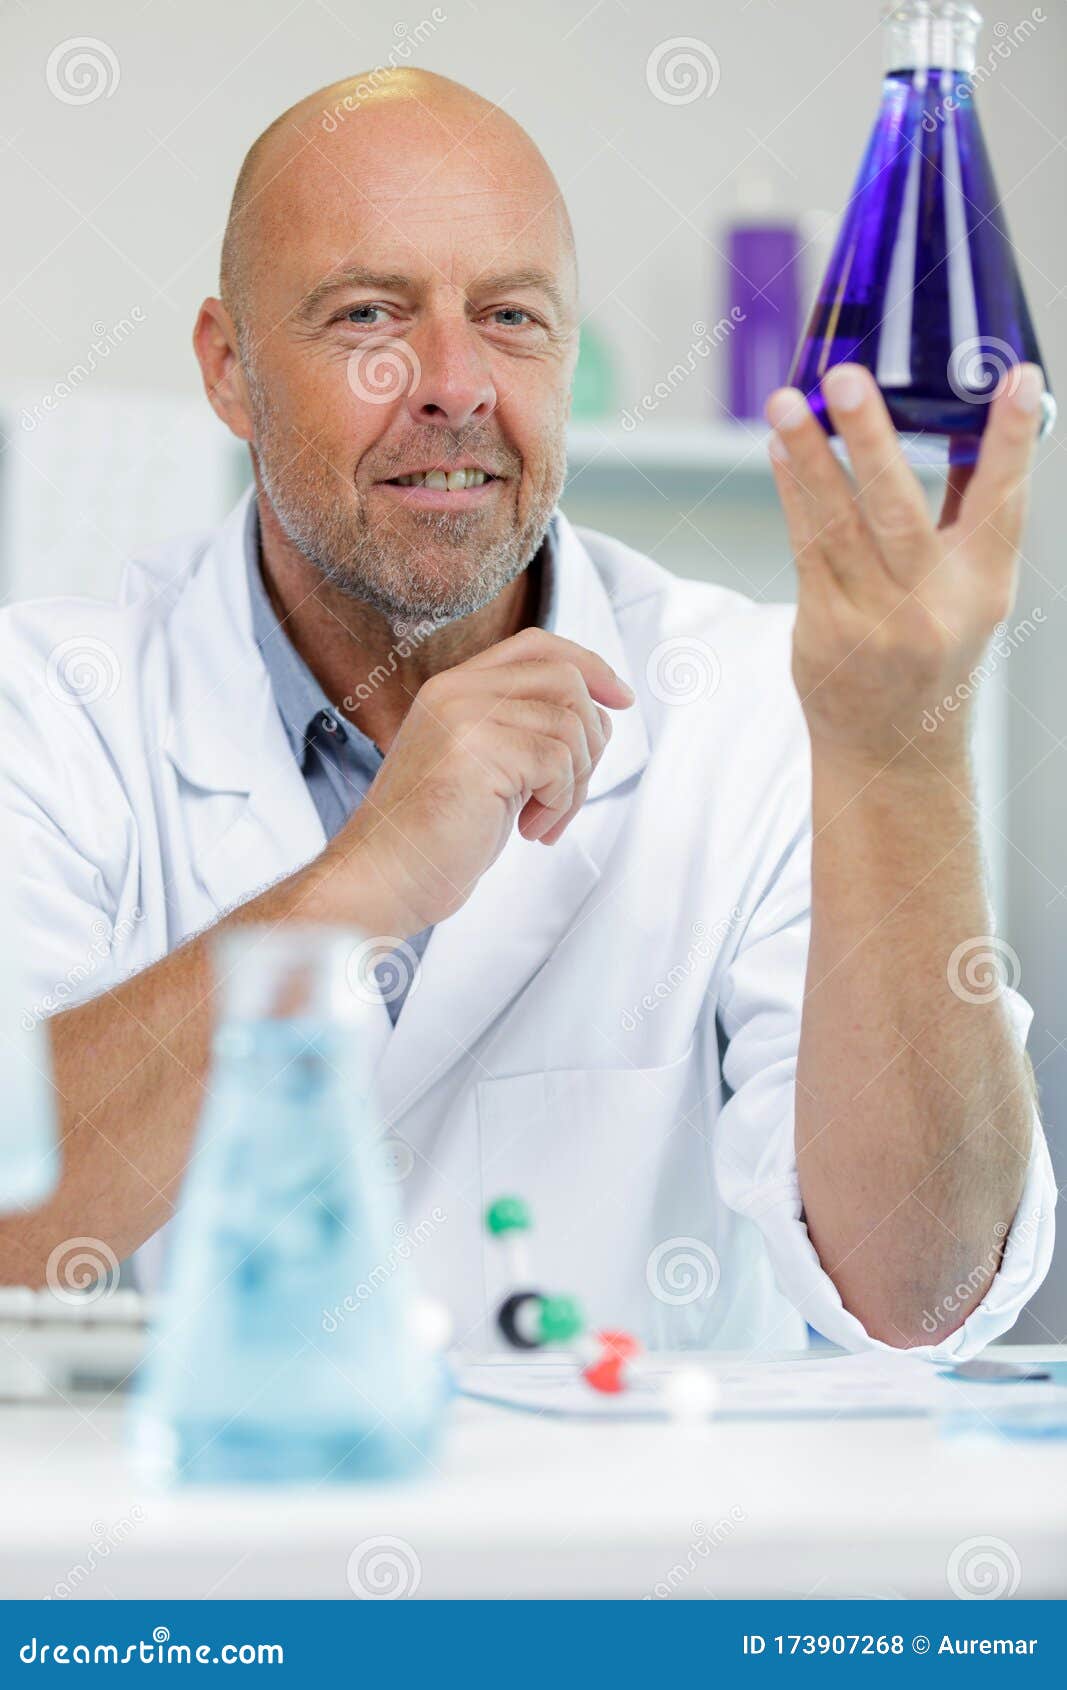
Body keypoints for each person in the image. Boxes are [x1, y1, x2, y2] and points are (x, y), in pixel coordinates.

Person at [0, 69, 1053, 1354]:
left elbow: (922, 1292)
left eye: (508, 316)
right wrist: (359, 884)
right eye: (367, 314)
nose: (453, 382)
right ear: (229, 371)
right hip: (196, 1550)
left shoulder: (762, 712)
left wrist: (898, 755)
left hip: (644, 1556)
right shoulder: (54, 711)